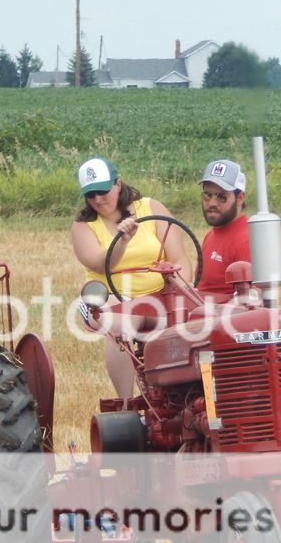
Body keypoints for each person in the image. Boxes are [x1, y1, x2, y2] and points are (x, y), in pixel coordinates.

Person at [71, 156, 192, 402]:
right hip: (109, 296)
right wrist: (122, 240)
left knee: (198, 322)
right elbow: (102, 264)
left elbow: (180, 260)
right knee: (122, 324)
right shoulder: (83, 226)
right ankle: (126, 405)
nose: (97, 200)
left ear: (118, 183)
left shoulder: (152, 208)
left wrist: (183, 295)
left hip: (161, 295)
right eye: (90, 194)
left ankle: (183, 398)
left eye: (102, 191)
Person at [196, 159, 251, 299]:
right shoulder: (211, 235)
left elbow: (251, 302)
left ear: (240, 198)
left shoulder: (247, 240)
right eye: (207, 195)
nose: (212, 203)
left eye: (221, 197)